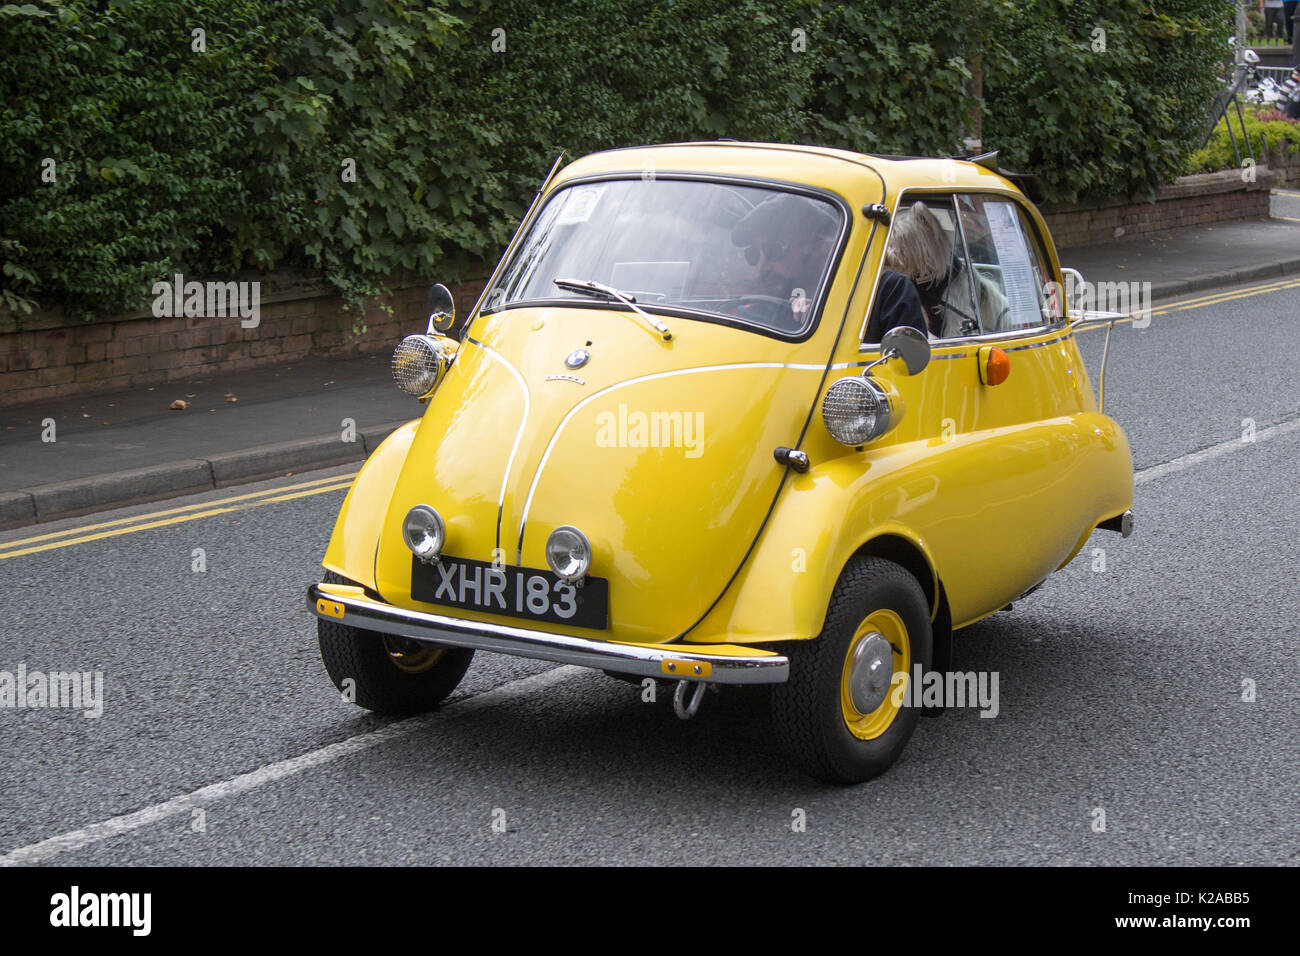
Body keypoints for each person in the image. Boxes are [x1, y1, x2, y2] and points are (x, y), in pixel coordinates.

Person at [884, 201, 1010, 337]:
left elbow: (959, 337)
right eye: (890, 245)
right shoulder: (910, 281)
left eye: (901, 247)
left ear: (927, 241)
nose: (889, 254)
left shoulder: (956, 280)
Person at [731, 193, 839, 329]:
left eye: (773, 251)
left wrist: (826, 317)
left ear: (820, 251)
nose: (761, 266)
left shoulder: (846, 316)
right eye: (753, 254)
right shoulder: (750, 313)